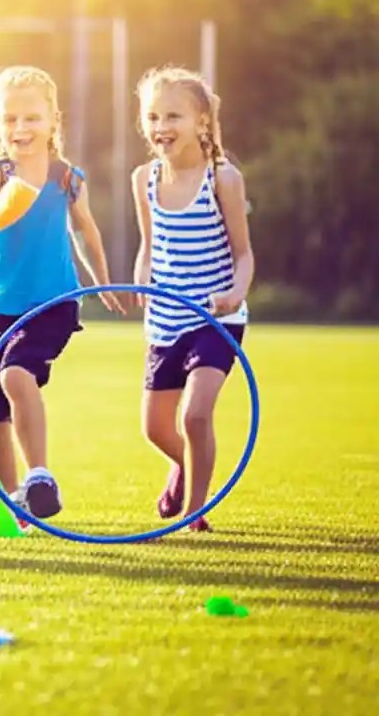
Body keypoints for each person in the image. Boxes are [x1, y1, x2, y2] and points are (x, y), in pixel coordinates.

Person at [0, 65, 125, 524]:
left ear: (53, 120)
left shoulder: (67, 177)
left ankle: (40, 475)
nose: (21, 128)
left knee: (16, 373)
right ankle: (17, 504)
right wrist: (0, 206)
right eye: (10, 119)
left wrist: (102, 279)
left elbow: (85, 229)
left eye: (31, 118)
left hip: (52, 302)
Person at [131, 66, 254, 532]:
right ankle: (184, 466)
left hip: (215, 317)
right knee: (157, 429)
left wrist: (233, 295)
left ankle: (194, 514)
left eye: (174, 116)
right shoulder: (143, 178)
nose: (161, 127)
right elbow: (149, 244)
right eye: (153, 116)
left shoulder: (223, 179)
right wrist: (140, 276)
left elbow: (244, 255)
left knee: (196, 413)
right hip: (164, 319)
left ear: (202, 121)